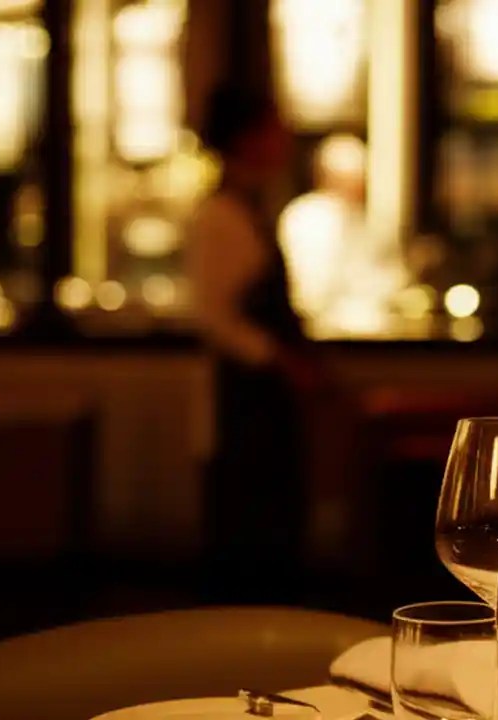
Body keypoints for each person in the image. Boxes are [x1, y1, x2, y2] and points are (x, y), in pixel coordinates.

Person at [187, 84, 315, 600]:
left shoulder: (250, 207)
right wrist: (280, 359)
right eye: (274, 125)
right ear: (247, 138)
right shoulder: (220, 215)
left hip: (262, 400)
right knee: (247, 538)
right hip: (240, 403)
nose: (285, 136)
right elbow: (213, 317)